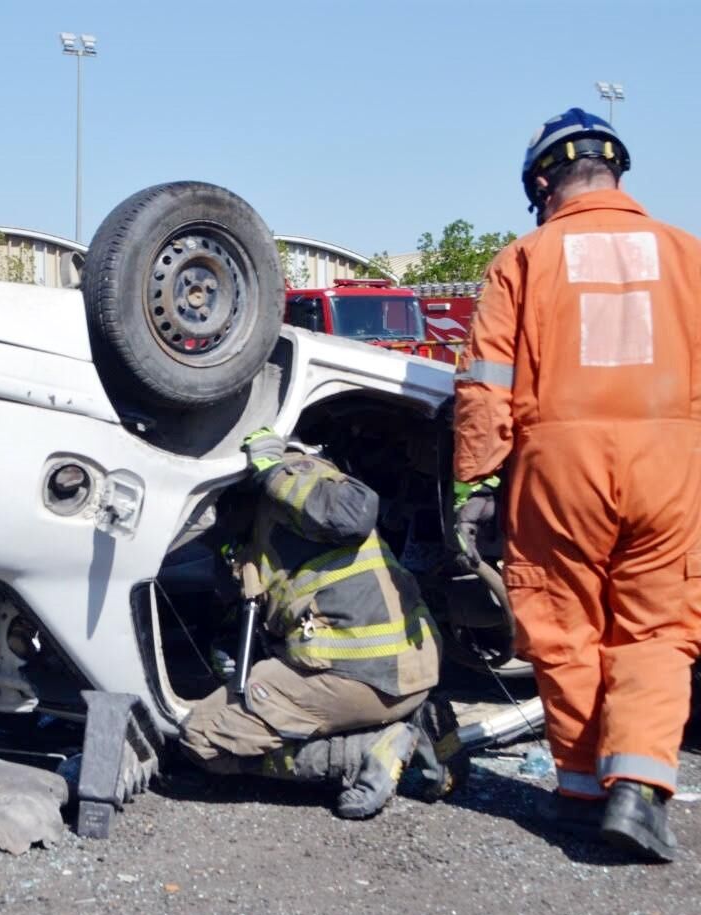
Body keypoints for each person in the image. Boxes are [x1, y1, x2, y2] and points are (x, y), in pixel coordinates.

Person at [453, 108, 701, 862]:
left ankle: (584, 789)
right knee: (656, 630)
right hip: (670, 464)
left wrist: (479, 483)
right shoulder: (689, 255)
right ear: (616, 171)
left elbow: (484, 387)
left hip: (560, 466)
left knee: (564, 626)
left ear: (542, 182)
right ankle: (639, 789)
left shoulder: (523, 260)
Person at [176, 429, 453, 819]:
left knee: (202, 737)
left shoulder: (296, 475)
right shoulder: (260, 525)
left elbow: (354, 512)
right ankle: (419, 727)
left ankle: (360, 755)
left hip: (361, 673)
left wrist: (273, 471)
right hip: (409, 672)